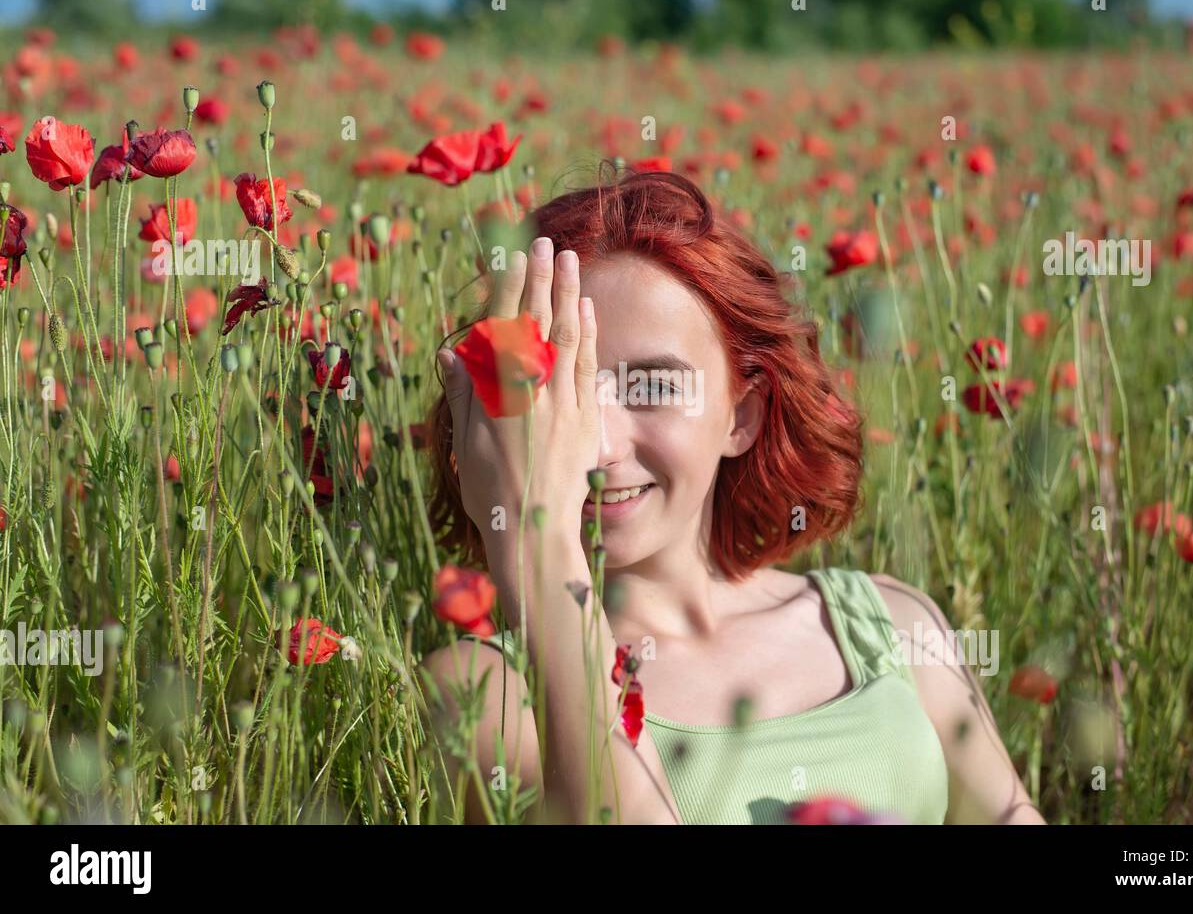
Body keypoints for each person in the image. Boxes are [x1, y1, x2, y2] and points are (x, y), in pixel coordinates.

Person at [421, 167, 1045, 825]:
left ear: (740, 416)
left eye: (653, 388)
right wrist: (532, 536)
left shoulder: (891, 624)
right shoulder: (483, 693)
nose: (598, 446)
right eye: (562, 392)